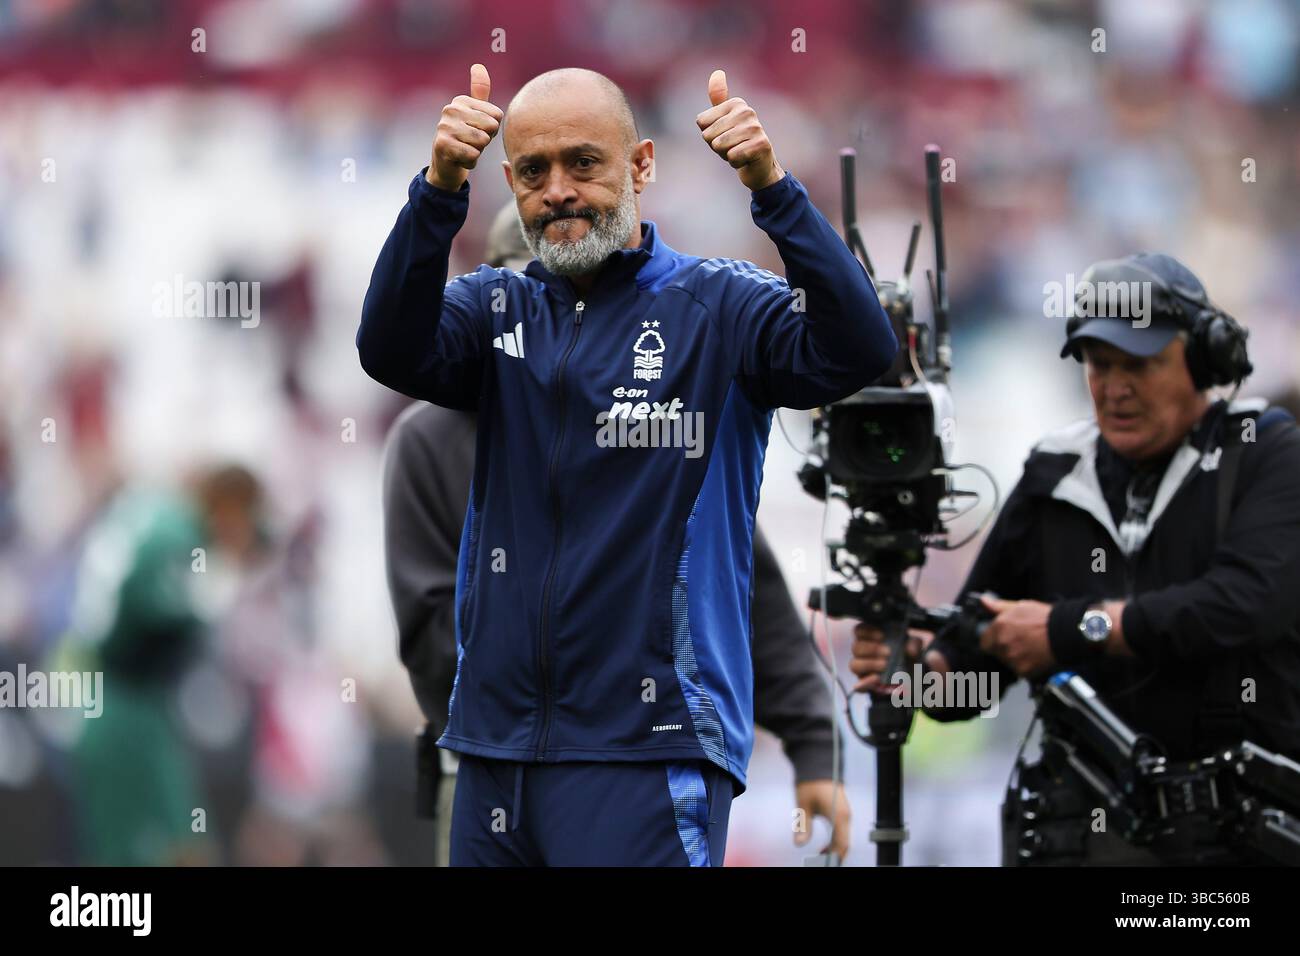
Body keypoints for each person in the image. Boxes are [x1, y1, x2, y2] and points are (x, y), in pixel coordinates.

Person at [358, 64, 896, 865]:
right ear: (508, 182)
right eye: (534, 172)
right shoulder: (493, 310)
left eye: (584, 162)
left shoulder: (721, 308)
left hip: (648, 751)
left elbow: (859, 349)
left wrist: (773, 189)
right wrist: (437, 191)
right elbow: (387, 347)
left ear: (641, 165)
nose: (560, 190)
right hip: (494, 754)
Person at [851, 252, 1300, 865]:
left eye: (1138, 364)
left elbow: (1245, 604)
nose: (1115, 387)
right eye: (1099, 363)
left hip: (1239, 848)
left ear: (1202, 358)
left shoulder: (1267, 451)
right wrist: (917, 672)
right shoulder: (1052, 471)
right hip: (1082, 841)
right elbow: (974, 673)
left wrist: (1072, 630)